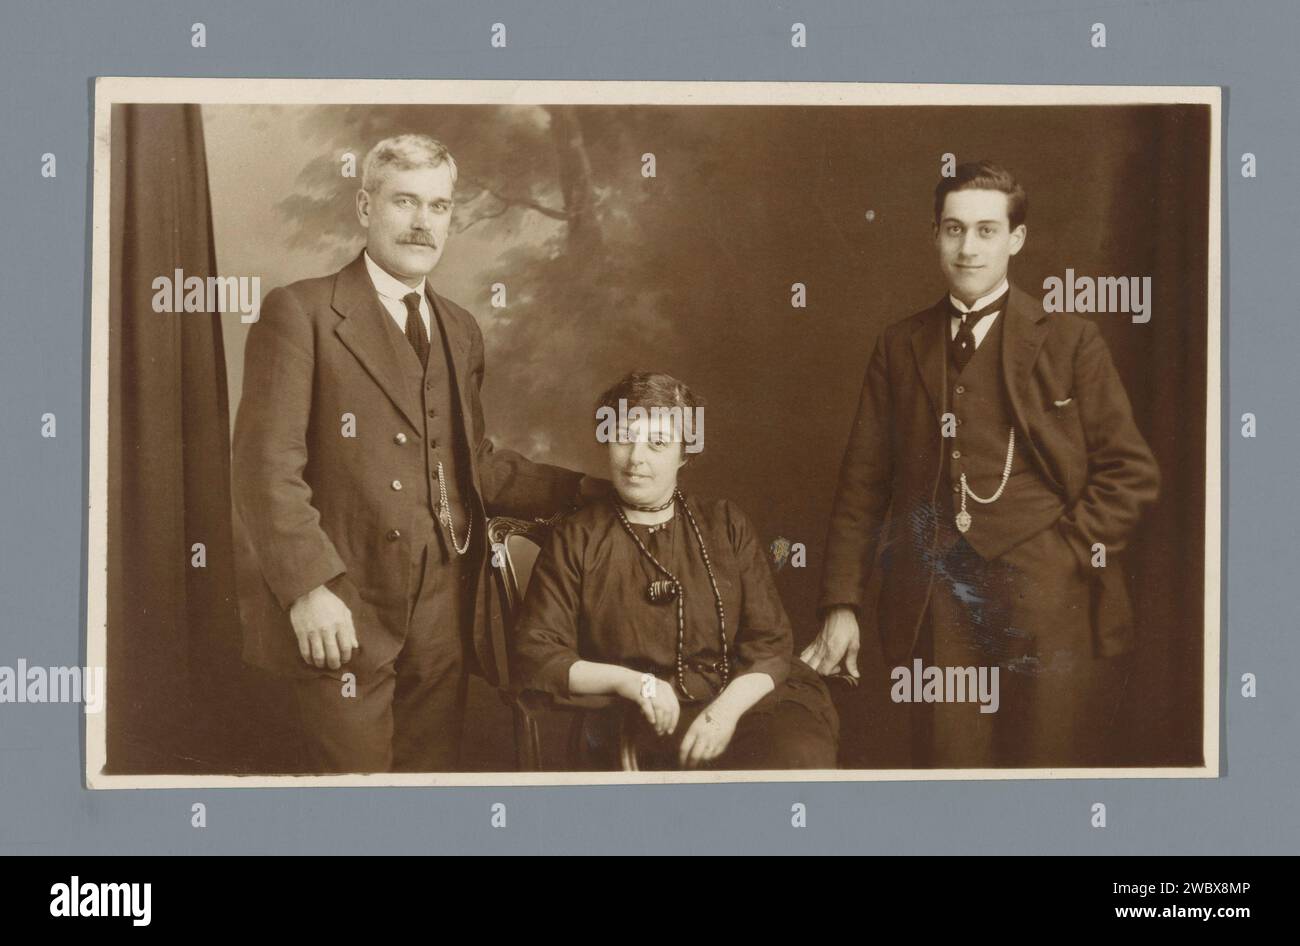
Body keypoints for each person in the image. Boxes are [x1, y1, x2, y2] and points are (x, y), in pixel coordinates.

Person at [232, 134, 601, 773]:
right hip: (344, 612)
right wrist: (308, 589)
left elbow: (476, 465)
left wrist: (594, 490)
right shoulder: (301, 313)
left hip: (445, 621)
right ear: (365, 206)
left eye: (438, 206)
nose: (422, 222)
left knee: (427, 809)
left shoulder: (459, 327)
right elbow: (265, 469)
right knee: (358, 810)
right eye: (405, 201)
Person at [802, 161, 1160, 768]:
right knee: (950, 774)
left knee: (1046, 770)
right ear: (935, 235)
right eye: (953, 229)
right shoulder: (899, 344)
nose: (968, 248)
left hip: (1051, 598)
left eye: (987, 230)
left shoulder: (1071, 341)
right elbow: (863, 484)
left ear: (1016, 239)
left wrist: (1068, 551)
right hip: (939, 601)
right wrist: (842, 602)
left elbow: (1131, 472)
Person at [514, 372, 838, 770]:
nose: (636, 458)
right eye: (624, 437)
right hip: (643, 714)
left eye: (658, 443)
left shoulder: (724, 524)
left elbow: (769, 646)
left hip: (743, 700)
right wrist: (633, 683)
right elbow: (538, 655)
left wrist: (723, 713)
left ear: (685, 454)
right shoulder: (579, 537)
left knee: (796, 754)